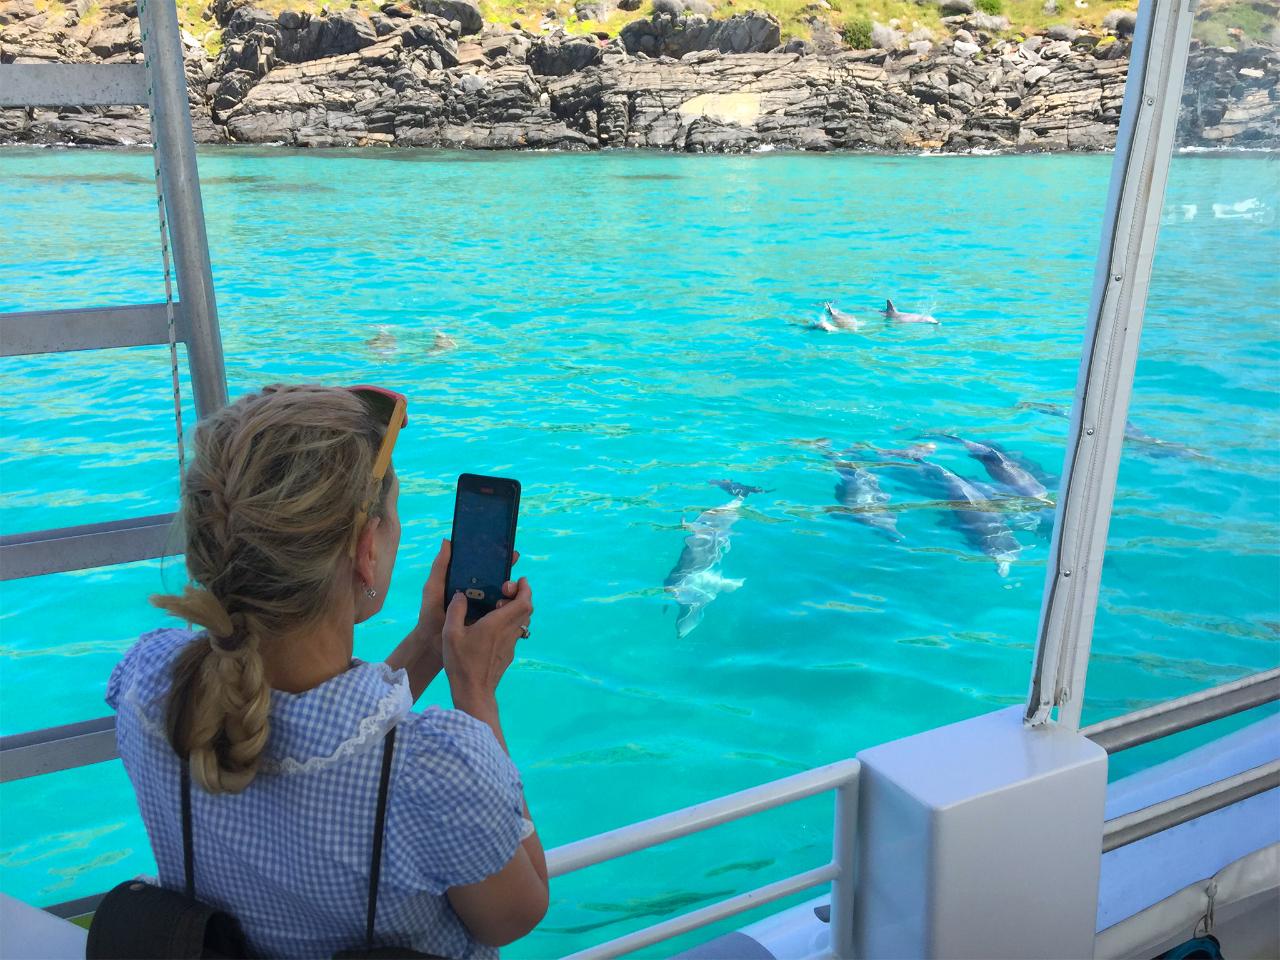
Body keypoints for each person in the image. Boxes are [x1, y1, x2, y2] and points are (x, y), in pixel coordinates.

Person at [104, 384, 547, 959]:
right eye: (391, 518)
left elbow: (328, 731)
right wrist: (476, 693)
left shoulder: (150, 688)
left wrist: (430, 645)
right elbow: (515, 916)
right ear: (366, 551)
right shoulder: (440, 773)